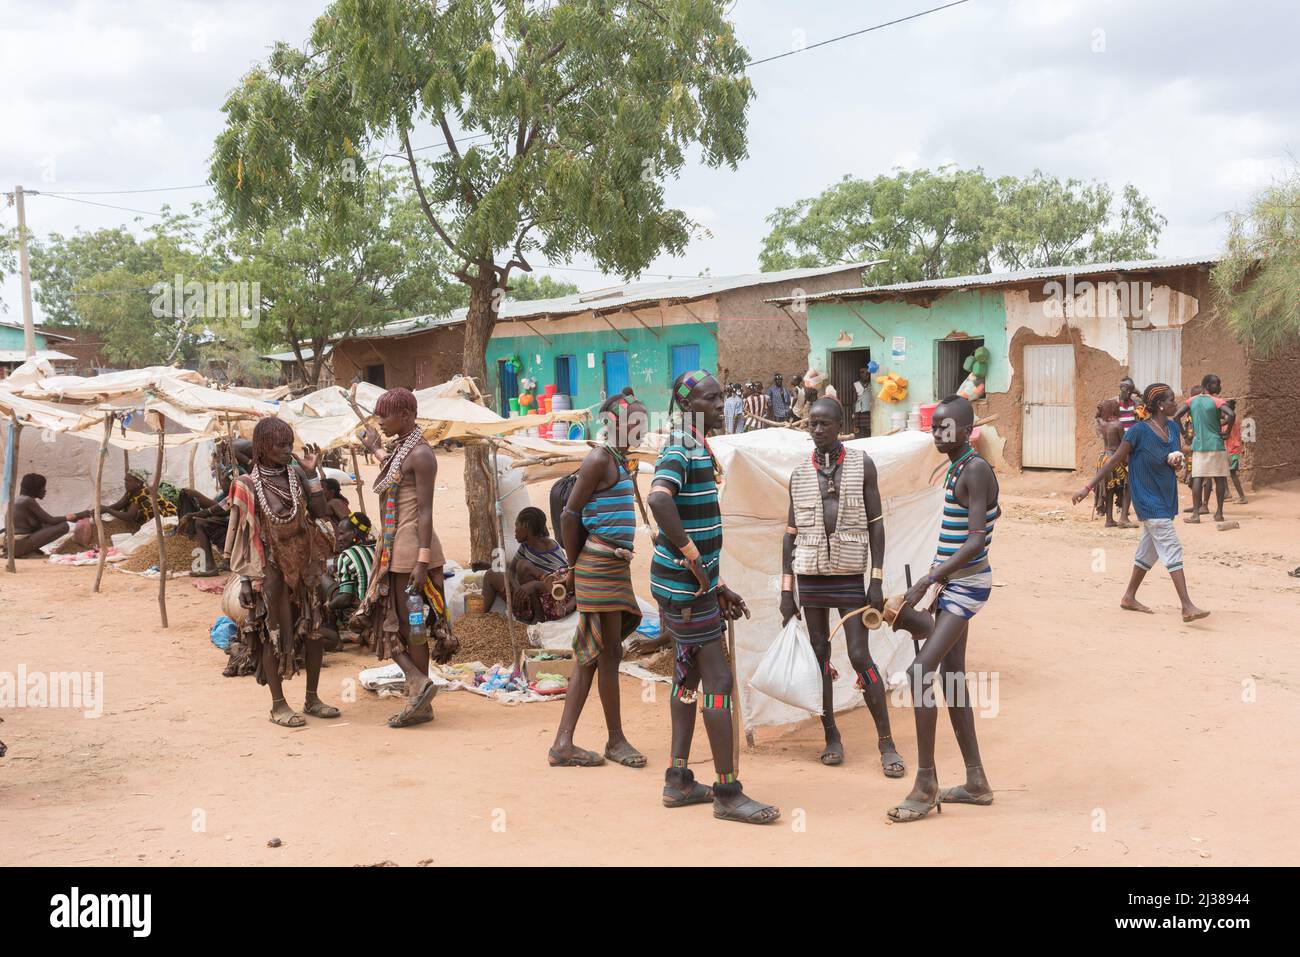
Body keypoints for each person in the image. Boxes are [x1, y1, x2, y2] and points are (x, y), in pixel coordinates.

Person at [649, 369, 778, 825]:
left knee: (687, 681)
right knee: (718, 685)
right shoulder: (682, 445)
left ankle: (679, 779)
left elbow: (689, 514)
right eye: (711, 398)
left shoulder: (696, 444)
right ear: (689, 407)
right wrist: (694, 561)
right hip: (685, 590)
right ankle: (727, 790)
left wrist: (716, 583)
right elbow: (660, 500)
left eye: (721, 396)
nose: (722, 404)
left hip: (687, 589)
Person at [884, 395, 999, 822]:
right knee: (952, 679)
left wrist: (929, 579)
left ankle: (926, 782)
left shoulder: (975, 470)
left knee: (919, 672)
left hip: (966, 588)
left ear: (967, 430)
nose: (937, 433)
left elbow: (973, 541)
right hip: (954, 584)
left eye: (945, 427)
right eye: (934, 427)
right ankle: (976, 781)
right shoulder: (957, 468)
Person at [780, 396, 903, 776]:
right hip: (810, 576)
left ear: (840, 425)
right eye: (812, 424)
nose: (817, 430)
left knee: (860, 656)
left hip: (850, 576)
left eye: (825, 424)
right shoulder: (799, 474)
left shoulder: (862, 465)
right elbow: (789, 534)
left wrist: (877, 579)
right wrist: (787, 592)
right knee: (819, 655)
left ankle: (887, 742)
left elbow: (876, 523)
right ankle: (831, 736)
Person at [548, 391, 649, 768]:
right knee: (599, 655)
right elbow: (570, 515)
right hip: (598, 567)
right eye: (633, 422)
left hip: (613, 568)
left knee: (603, 653)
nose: (640, 429)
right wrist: (573, 567)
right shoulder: (599, 459)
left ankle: (576, 741)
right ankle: (602, 741)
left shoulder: (621, 462)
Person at [223, 418, 341, 728]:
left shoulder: (297, 474)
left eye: (289, 443)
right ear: (262, 446)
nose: (287, 449)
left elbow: (320, 513)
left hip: (305, 568)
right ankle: (278, 705)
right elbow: (240, 538)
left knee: (314, 630)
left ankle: (312, 699)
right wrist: (246, 580)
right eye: (279, 444)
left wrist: (312, 473)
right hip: (270, 571)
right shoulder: (247, 484)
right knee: (271, 635)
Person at [353, 387, 456, 729]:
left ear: (407, 417)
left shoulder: (423, 455)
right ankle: (419, 693)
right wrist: (374, 448)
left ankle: (419, 687)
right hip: (399, 552)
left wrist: (422, 562)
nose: (381, 421)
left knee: (398, 625)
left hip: (410, 555)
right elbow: (397, 473)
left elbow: (426, 512)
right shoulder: (407, 450)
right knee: (407, 628)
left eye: (386, 415)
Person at [1072, 383, 1209, 623]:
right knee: (1170, 544)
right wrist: (1088, 487)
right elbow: (1114, 459)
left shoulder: (1173, 430)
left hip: (1165, 495)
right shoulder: (1137, 431)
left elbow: (1174, 459)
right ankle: (1186, 605)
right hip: (1146, 497)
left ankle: (1129, 596)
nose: (1175, 404)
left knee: (1150, 548)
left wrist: (1177, 463)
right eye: (1170, 401)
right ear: (1159, 405)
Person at [482, 507, 574, 625]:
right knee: (492, 573)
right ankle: (479, 617)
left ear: (526, 526)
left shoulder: (552, 547)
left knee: (523, 566)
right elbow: (511, 570)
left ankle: (538, 616)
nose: (515, 531)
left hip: (553, 601)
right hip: (531, 596)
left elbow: (561, 585)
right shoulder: (525, 547)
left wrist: (534, 585)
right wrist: (517, 588)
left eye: (517, 526)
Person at [1177, 374, 1234, 524]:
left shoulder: (1192, 401)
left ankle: (1196, 515)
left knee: (1198, 478)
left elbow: (1176, 416)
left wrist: (1184, 435)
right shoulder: (1217, 401)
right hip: (1216, 445)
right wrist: (1227, 432)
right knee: (1219, 478)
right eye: (1217, 384)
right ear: (1207, 385)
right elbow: (1231, 414)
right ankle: (1219, 514)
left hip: (1199, 445)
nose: (1219, 387)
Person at [7, 474, 91, 558]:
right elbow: (51, 520)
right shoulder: (27, 501)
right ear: (35, 488)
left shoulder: (17, 500)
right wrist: (78, 515)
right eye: (42, 487)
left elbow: (41, 524)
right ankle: (27, 550)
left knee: (45, 525)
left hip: (11, 545)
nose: (45, 490)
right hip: (19, 546)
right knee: (64, 526)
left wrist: (74, 518)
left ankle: (30, 549)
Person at [330, 511, 376, 620]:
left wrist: (329, 606)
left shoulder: (347, 555)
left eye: (341, 533)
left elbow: (346, 598)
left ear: (354, 532)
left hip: (364, 614)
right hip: (382, 610)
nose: (339, 539)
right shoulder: (376, 548)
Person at [100, 469, 179, 527]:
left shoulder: (143, 493)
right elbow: (119, 505)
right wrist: (100, 510)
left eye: (129, 481)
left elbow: (129, 516)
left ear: (139, 483)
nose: (125, 483)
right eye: (125, 481)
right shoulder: (131, 491)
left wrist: (107, 510)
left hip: (167, 518)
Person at [1223, 398, 1248, 505]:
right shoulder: (1230, 418)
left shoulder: (1230, 419)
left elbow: (1222, 432)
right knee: (1222, 472)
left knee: (1233, 474)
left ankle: (1242, 497)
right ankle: (1227, 492)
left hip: (1233, 450)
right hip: (1229, 449)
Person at [852, 367, 873, 438]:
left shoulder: (872, 384)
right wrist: (854, 414)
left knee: (869, 431)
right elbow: (854, 400)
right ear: (860, 374)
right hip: (859, 413)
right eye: (864, 373)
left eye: (868, 373)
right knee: (859, 432)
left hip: (869, 411)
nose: (867, 375)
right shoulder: (856, 385)